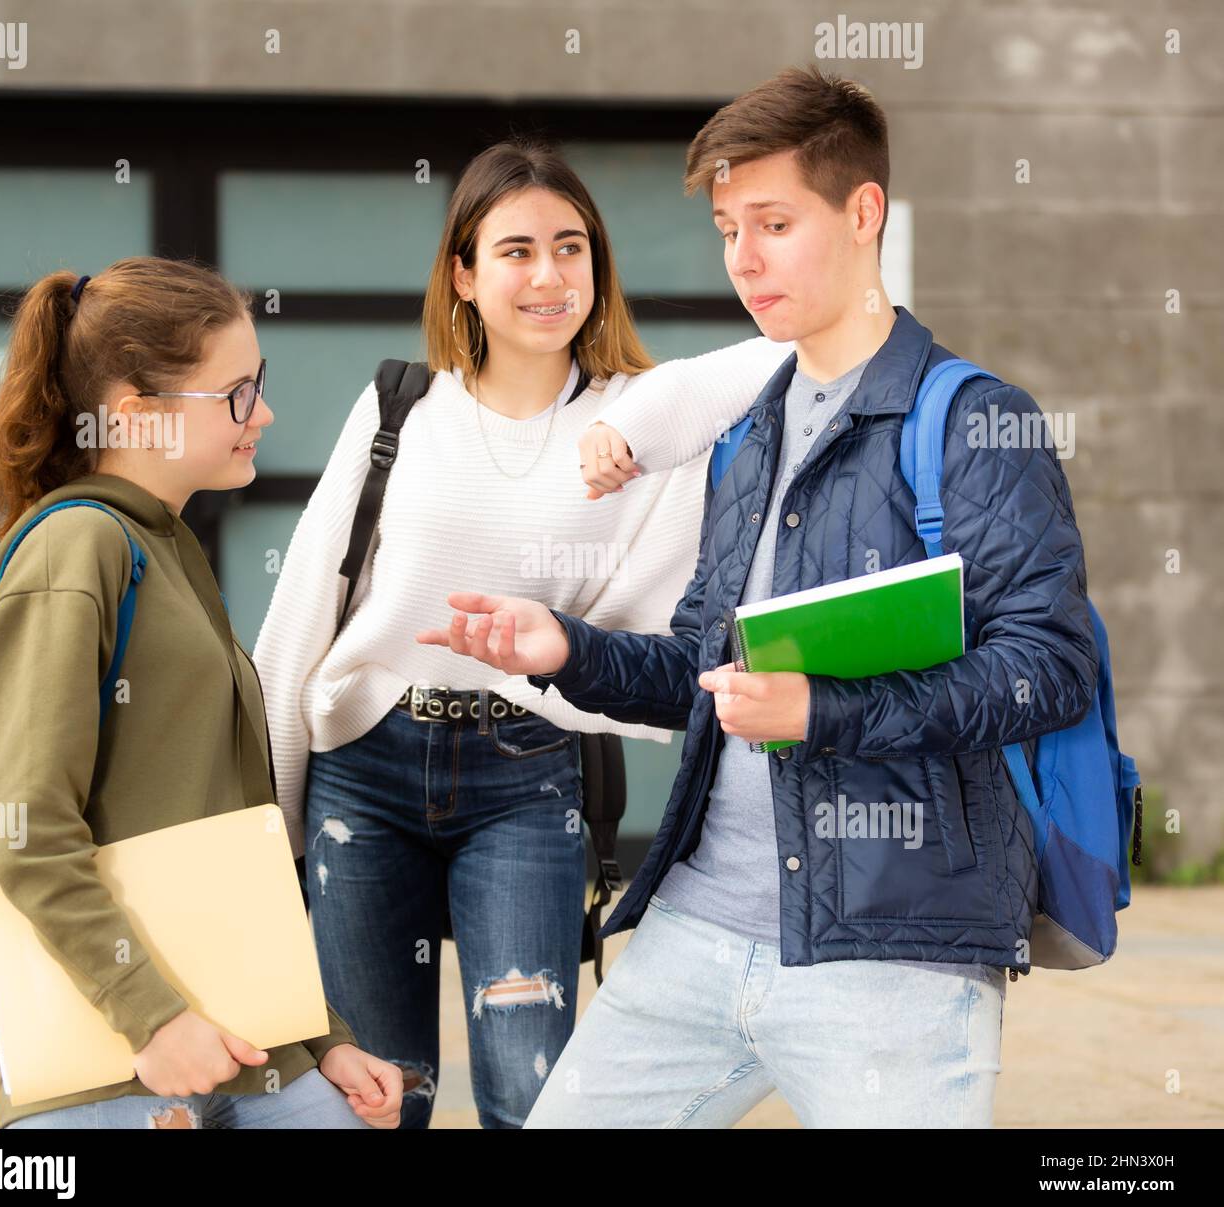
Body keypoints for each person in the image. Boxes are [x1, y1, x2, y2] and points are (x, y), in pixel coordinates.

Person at [418, 68, 1099, 1128]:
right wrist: (568, 650)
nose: (743, 258)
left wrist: (824, 710)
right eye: (729, 229)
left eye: (774, 224)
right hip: (694, 933)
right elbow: (705, 671)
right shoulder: (745, 435)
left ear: (863, 213)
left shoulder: (972, 422)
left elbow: (1048, 670)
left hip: (894, 959)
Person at [252, 138, 793, 1129]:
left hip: (527, 774)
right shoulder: (400, 406)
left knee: (531, 1097)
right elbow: (300, 620)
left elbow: (795, 353)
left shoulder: (648, 429)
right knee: (376, 1097)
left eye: (570, 247)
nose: (549, 276)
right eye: (515, 251)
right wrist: (262, 828)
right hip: (363, 768)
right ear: (463, 274)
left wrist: (641, 422)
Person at [0, 256, 402, 1130]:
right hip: (111, 1068)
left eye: (259, 385)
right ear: (136, 414)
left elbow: (227, 835)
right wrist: (152, 1016)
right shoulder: (76, 549)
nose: (263, 414)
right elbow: (20, 827)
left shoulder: (165, 549)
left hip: (245, 1044)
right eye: (237, 394)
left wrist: (320, 1038)